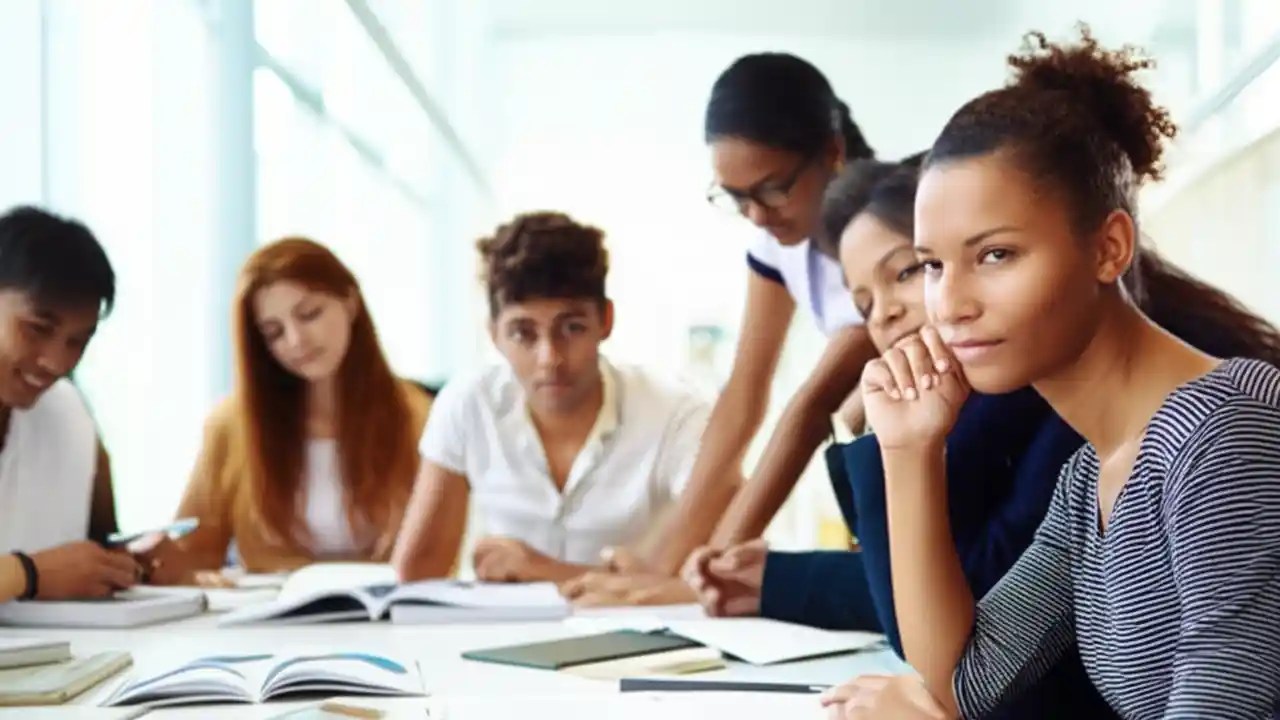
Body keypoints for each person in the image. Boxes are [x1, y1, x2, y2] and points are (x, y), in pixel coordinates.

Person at [825, 28, 1280, 720]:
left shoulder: (1226, 433)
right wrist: (910, 448)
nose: (951, 304)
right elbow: (962, 681)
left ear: (1109, 248)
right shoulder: (1089, 477)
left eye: (996, 255)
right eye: (933, 265)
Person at [685, 160, 1111, 719]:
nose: (884, 314)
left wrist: (889, 444)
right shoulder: (987, 416)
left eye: (910, 271)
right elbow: (945, 606)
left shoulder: (1073, 418)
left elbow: (968, 611)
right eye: (862, 305)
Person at [567, 53, 882, 605]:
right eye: (736, 198)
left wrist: (700, 576)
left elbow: (810, 411)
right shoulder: (777, 241)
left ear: (832, 153)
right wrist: (659, 563)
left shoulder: (884, 232)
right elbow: (742, 398)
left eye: (772, 189)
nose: (756, 214)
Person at [392, 212, 711, 584]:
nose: (550, 359)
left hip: (638, 620)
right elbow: (416, 573)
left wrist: (544, 571)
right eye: (522, 333)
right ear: (493, 333)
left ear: (606, 321)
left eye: (572, 328)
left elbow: (710, 572)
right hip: (501, 620)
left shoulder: (674, 411)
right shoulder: (468, 403)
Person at [146, 238, 432, 584]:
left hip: (390, 611)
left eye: (310, 314)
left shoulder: (419, 416)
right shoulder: (231, 424)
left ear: (350, 301)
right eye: (274, 333)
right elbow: (193, 553)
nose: (296, 341)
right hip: (273, 613)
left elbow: (439, 553)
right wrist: (163, 562)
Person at [0, 206, 140, 601]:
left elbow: (104, 545)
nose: (57, 363)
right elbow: (50, 571)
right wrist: (30, 574)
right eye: (36, 329)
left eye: (77, 342)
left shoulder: (67, 414)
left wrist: (130, 565)